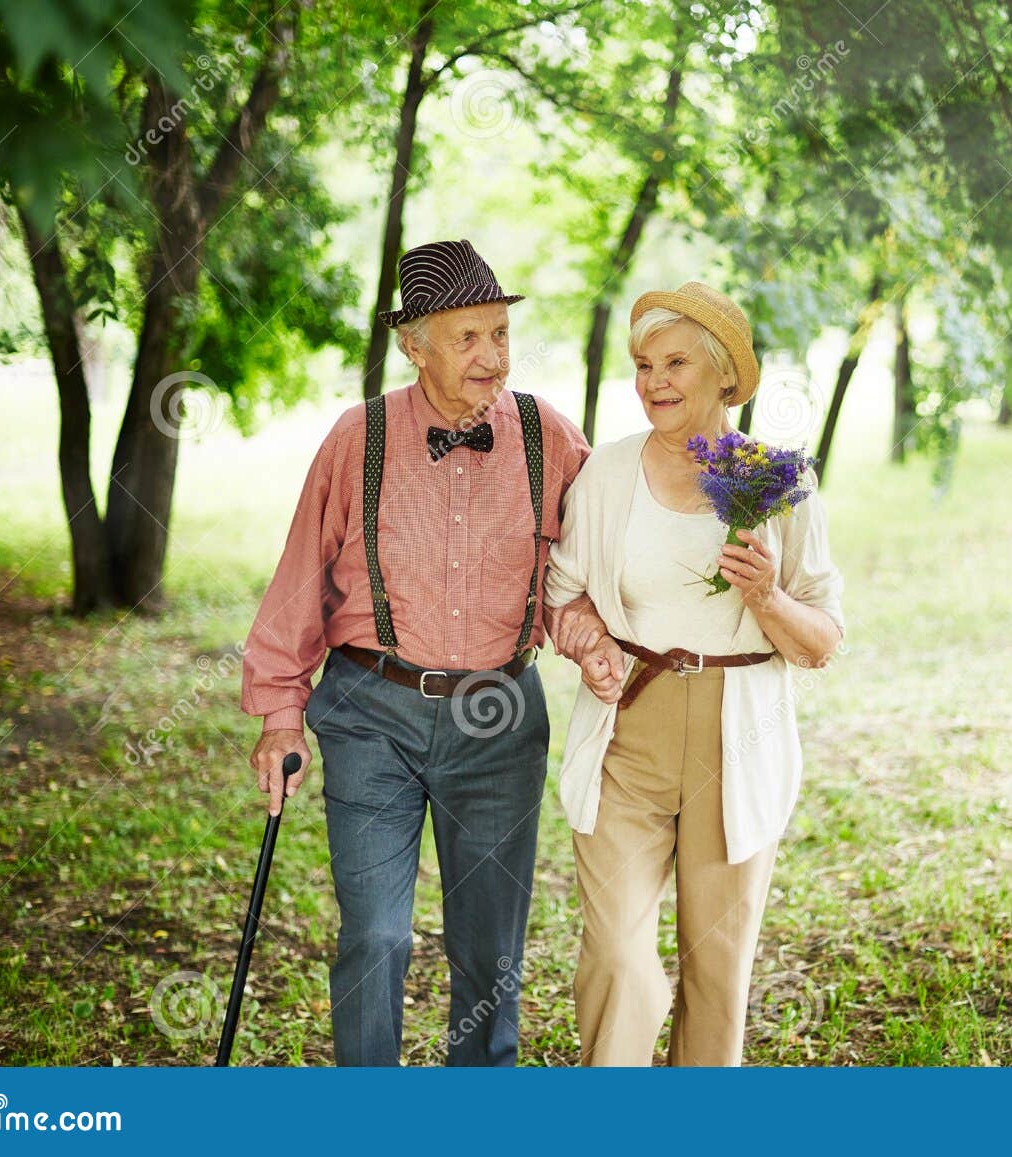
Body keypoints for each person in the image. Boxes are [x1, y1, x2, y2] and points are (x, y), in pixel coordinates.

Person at [240, 239, 604, 1065]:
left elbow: (598, 557)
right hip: (372, 711)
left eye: (501, 334)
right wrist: (278, 714)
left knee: (489, 950)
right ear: (416, 344)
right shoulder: (357, 436)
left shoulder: (548, 435)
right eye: (468, 337)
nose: (491, 356)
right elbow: (301, 580)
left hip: (501, 714)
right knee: (375, 934)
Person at [543, 281, 845, 1065]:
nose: (655, 381)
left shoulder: (774, 480)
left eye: (676, 362)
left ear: (723, 376)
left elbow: (821, 642)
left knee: (717, 975)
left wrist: (767, 595)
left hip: (736, 737)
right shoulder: (606, 474)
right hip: (630, 730)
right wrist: (583, 638)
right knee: (617, 957)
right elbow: (562, 592)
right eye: (645, 364)